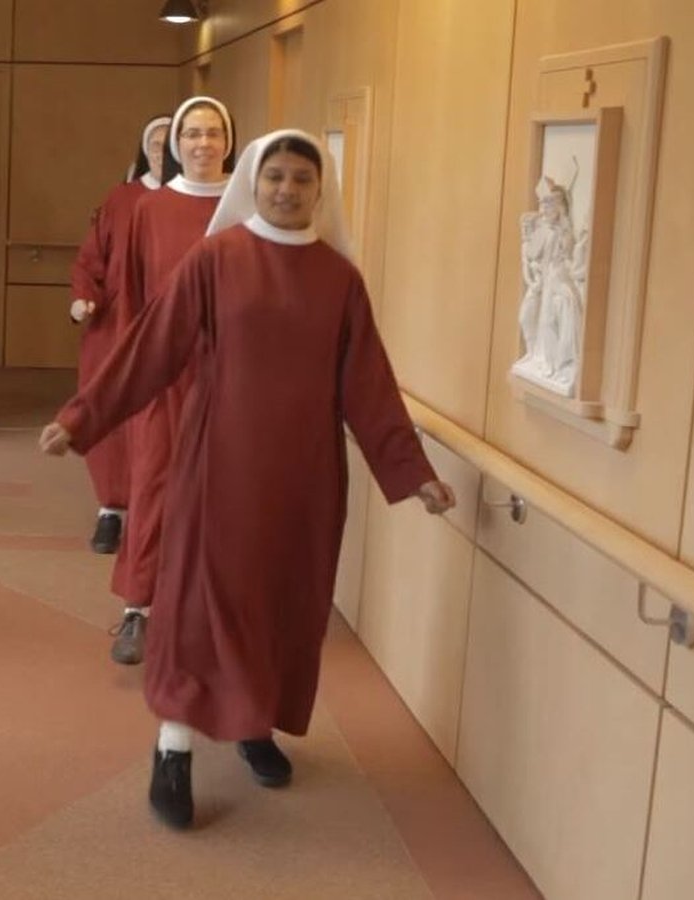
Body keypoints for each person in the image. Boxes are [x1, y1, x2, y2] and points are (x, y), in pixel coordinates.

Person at [39, 129, 457, 830]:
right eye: (276, 178)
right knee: (204, 603)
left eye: (302, 179)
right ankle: (174, 747)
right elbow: (152, 347)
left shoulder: (339, 279)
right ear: (252, 185)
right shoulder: (216, 258)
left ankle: (252, 723)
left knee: (282, 603)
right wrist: (84, 418)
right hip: (219, 465)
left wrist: (413, 473)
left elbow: (370, 388)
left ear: (320, 191)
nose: (287, 190)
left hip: (304, 477)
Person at [99, 97, 236, 666]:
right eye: (191, 133)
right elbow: (130, 295)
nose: (202, 143)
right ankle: (140, 607)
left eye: (212, 133)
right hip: (164, 373)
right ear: (175, 143)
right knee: (153, 482)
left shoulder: (245, 208)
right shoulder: (149, 209)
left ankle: (214, 613)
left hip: (232, 375)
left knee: (225, 493)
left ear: (230, 141)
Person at [69, 114, 171, 556]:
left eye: (170, 142)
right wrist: (84, 296)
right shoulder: (121, 198)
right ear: (142, 148)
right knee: (112, 415)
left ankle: (163, 514)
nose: (161, 150)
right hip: (117, 324)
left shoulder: (211, 202)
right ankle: (112, 510)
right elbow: (91, 257)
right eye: (154, 142)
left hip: (173, 327)